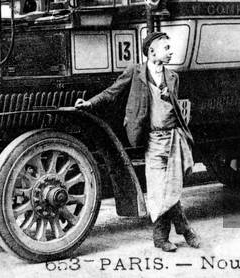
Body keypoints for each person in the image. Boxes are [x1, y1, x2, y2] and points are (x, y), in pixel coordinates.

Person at [75, 32, 201, 252]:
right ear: (152, 52)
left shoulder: (173, 77)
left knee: (169, 189)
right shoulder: (135, 72)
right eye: (167, 48)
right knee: (158, 190)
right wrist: (89, 104)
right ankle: (182, 231)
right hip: (152, 140)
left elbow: (173, 110)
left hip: (173, 138)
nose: (171, 52)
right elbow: (111, 92)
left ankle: (163, 238)